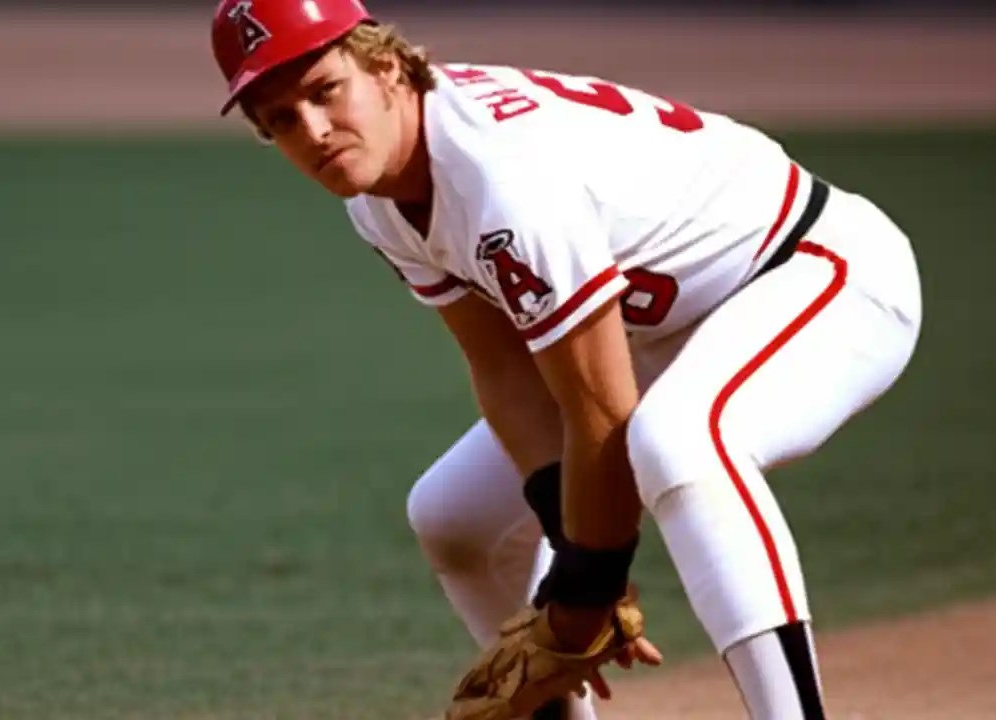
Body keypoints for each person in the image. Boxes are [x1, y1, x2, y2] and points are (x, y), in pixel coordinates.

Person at [209, 1, 923, 718]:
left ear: (386, 65)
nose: (314, 129)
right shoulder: (378, 196)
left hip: (823, 275)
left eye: (325, 89)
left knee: (680, 440)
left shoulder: (500, 173)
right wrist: (570, 547)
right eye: (280, 119)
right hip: (668, 330)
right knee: (452, 517)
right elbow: (507, 372)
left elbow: (602, 411)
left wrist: (587, 586)